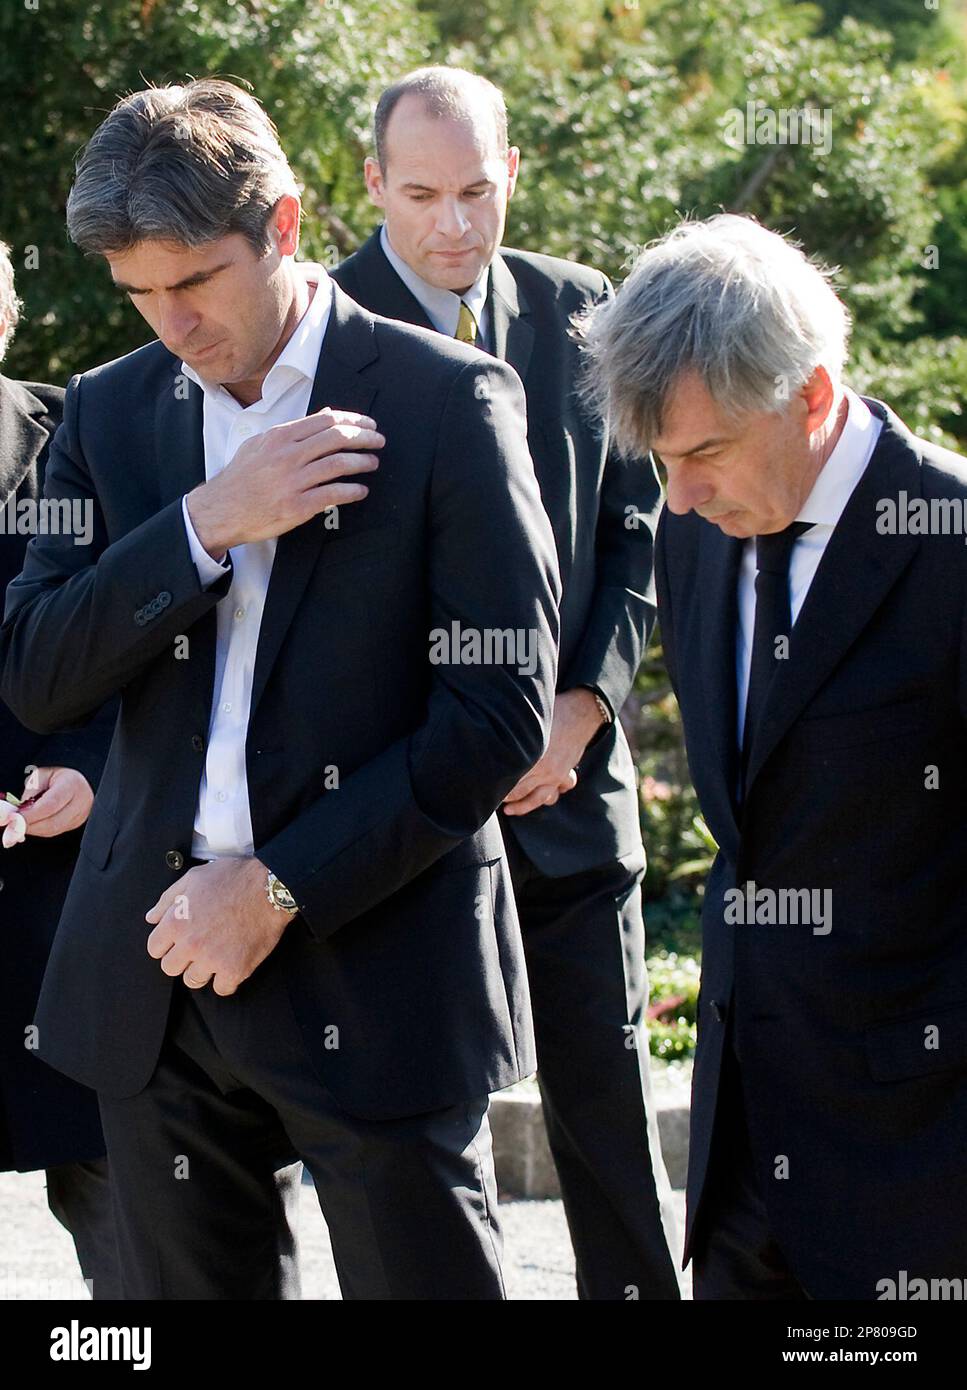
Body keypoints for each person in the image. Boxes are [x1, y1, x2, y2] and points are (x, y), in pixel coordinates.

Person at [0, 79, 560, 1301]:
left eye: (193, 282)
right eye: (137, 292)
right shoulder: (103, 411)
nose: (170, 323)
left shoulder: (450, 403)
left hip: (381, 963)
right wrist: (203, 526)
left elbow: (494, 720)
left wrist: (277, 887)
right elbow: (38, 672)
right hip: (154, 985)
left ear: (287, 225)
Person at [331, 66, 680, 1300]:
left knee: (612, 1125)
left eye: (479, 189)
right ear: (372, 184)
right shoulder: (326, 336)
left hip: (576, 803)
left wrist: (581, 709)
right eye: (422, 193)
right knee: (428, 1144)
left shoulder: (588, 315)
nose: (456, 224)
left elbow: (643, 531)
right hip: (415, 815)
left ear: (512, 173)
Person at [578, 210, 967, 1299]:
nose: (681, 493)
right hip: (743, 1163)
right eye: (661, 460)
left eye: (702, 451)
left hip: (923, 1173)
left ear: (808, 393)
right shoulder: (698, 536)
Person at [0, 239, 120, 1297]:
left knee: (126, 1210)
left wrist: (91, 767)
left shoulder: (85, 435)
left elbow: (155, 639)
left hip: (69, 906)